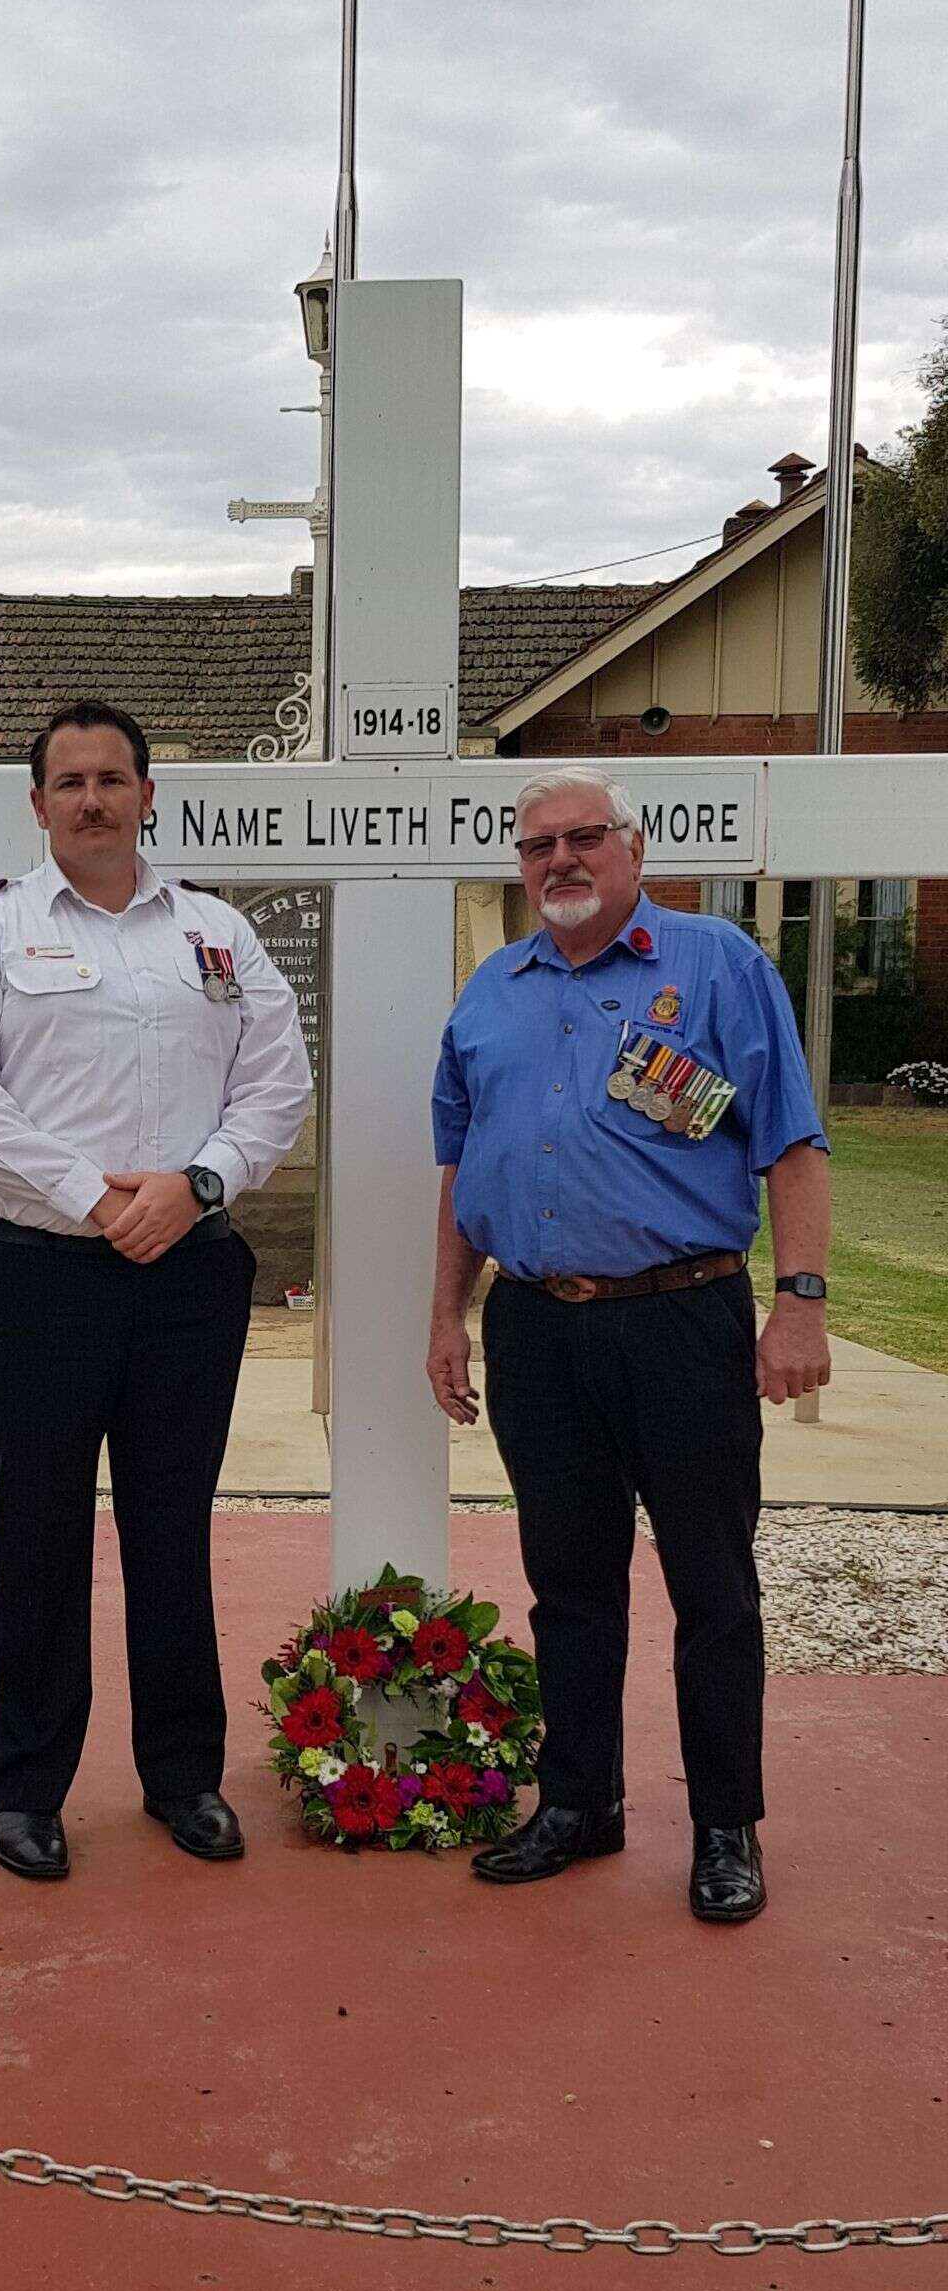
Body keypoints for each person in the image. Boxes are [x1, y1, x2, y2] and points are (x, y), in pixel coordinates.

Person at [0, 696, 312, 1883]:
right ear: (36, 806)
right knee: (37, 1532)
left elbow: (276, 1087)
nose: (91, 798)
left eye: (111, 779)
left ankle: (183, 1777)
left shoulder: (217, 939)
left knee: (171, 1528)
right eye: (68, 781)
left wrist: (195, 1185)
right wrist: (97, 1197)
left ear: (149, 797)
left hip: (187, 1275)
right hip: (41, 1277)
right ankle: (27, 1790)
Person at [426, 762, 831, 1927]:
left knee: (711, 1583)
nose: (559, 859)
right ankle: (579, 1803)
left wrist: (797, 1304)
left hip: (679, 1318)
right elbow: (463, 1173)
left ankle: (724, 1828)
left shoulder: (716, 967)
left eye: (583, 837)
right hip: (537, 1327)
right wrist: (444, 1317)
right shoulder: (489, 993)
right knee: (568, 1583)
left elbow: (792, 1146)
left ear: (634, 850)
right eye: (536, 844)